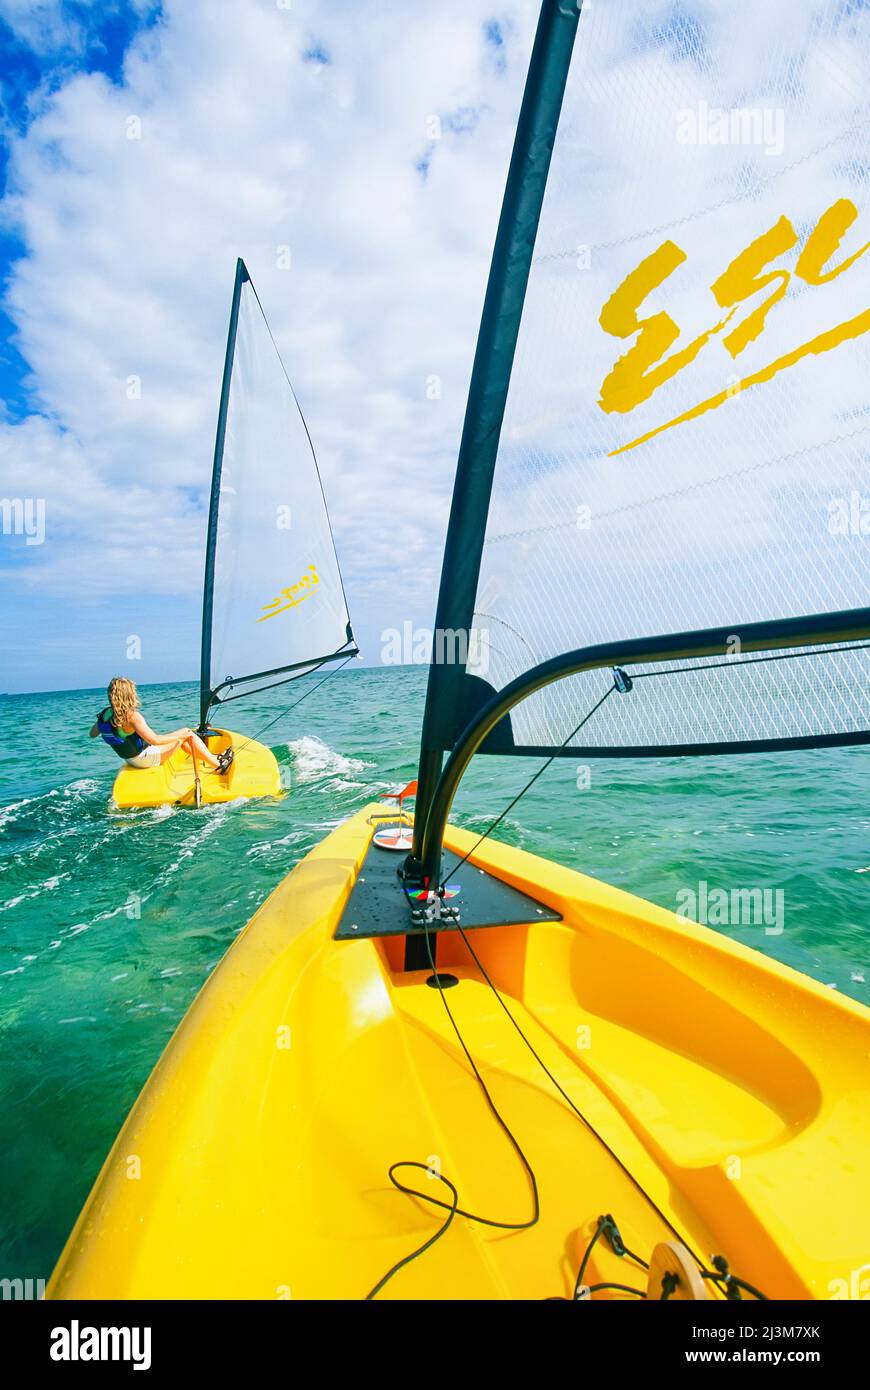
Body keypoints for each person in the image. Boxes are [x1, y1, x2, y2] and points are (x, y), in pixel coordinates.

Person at [90, 677, 234, 774]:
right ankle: (217, 765)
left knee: (185, 732)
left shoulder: (105, 714)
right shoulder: (132, 717)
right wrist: (184, 735)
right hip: (144, 760)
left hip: (129, 759)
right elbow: (155, 740)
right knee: (187, 734)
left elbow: (92, 734)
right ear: (129, 695)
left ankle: (212, 757)